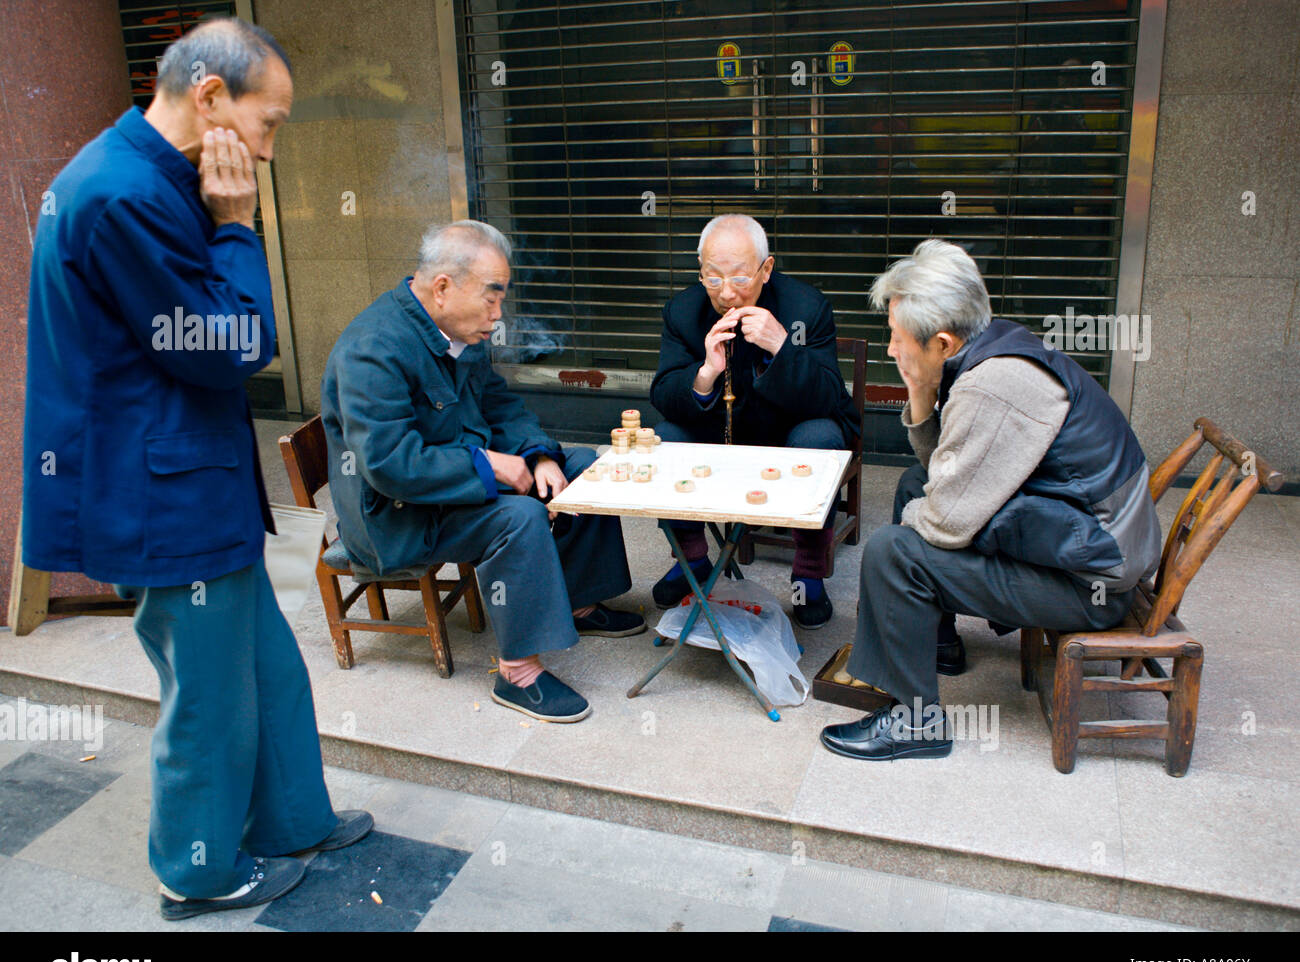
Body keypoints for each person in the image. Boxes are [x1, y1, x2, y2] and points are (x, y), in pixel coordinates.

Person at [22, 18, 372, 920]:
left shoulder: (150, 176)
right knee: (210, 700)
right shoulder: (122, 194)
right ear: (211, 96)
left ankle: (293, 818)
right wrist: (239, 225)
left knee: (267, 672)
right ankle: (199, 869)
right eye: (272, 122)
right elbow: (231, 343)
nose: (271, 147)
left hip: (197, 481)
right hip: (163, 496)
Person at [820, 239, 1162, 762]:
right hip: (1083, 545)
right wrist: (919, 391)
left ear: (942, 342)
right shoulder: (995, 346)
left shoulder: (994, 386)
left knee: (894, 550)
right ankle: (934, 643)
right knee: (915, 484)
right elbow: (943, 466)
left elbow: (943, 524)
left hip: (1092, 585)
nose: (890, 349)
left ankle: (916, 724)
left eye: (896, 338)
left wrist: (917, 521)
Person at [321, 220, 645, 724]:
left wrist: (538, 455)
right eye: (490, 299)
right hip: (395, 518)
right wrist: (488, 465)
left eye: (501, 300)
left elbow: (498, 404)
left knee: (579, 466)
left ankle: (579, 603)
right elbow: (390, 465)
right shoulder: (373, 349)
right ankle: (517, 672)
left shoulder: (452, 328)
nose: (497, 317)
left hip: (443, 492)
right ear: (443, 287)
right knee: (517, 517)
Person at [649, 214, 859, 628]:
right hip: (717, 432)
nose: (726, 294)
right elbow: (664, 394)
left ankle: (809, 575)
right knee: (666, 437)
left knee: (820, 438)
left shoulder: (806, 308)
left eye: (740, 278)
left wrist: (781, 347)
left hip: (786, 432)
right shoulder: (683, 311)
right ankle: (692, 562)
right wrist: (705, 373)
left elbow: (827, 397)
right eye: (713, 278)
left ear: (766, 268)